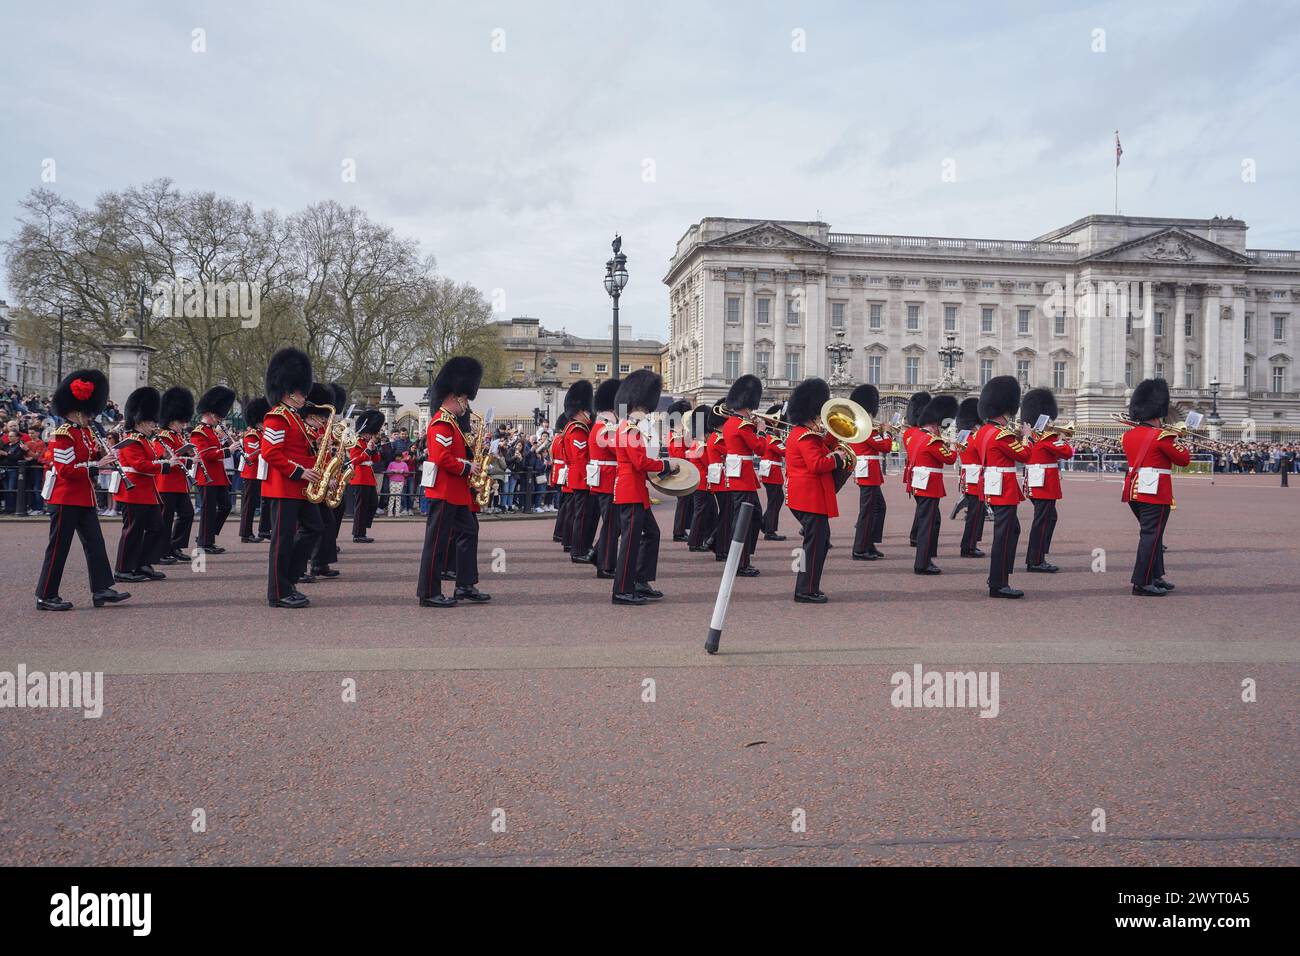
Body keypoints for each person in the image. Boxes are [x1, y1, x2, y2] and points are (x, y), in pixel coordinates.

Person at [34, 369, 130, 611]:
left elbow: (88, 456)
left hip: (84, 498)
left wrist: (104, 454)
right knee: (58, 548)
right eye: (87, 413)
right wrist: (97, 464)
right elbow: (66, 470)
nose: (90, 417)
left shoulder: (85, 432)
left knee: (95, 544)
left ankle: (101, 589)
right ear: (76, 411)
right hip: (65, 498)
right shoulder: (63, 434)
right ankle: (45, 595)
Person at [416, 356, 490, 607]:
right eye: (465, 399)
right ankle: (428, 592)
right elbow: (441, 458)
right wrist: (467, 466)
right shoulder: (441, 422)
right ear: (455, 396)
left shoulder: (455, 425)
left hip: (457, 493)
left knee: (469, 531)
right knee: (436, 543)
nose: (467, 404)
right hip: (444, 492)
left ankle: (465, 584)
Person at [260, 347, 324, 609]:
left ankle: (290, 578)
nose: (304, 396)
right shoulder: (276, 417)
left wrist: (320, 475)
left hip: (301, 487)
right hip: (283, 487)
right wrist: (299, 471)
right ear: (289, 392)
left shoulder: (294, 418)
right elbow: (270, 453)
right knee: (282, 540)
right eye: (301, 392)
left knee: (315, 528)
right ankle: (278, 591)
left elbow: (305, 452)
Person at [1122, 378, 1190, 596]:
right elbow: (1184, 460)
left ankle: (1155, 576)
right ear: (1158, 412)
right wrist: (1179, 441)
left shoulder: (1128, 434)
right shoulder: (1162, 437)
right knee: (1151, 536)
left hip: (1134, 491)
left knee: (1154, 535)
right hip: (1155, 493)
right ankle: (1141, 582)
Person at [611, 369, 674, 606]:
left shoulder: (630, 429)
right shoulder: (629, 430)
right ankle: (622, 590)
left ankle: (639, 580)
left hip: (637, 491)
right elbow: (640, 462)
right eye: (647, 409)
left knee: (652, 534)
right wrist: (665, 465)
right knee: (630, 542)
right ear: (637, 405)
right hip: (630, 492)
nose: (648, 413)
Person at [784, 378, 847, 604]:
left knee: (818, 542)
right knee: (815, 545)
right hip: (810, 498)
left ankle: (807, 586)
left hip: (807, 497)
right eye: (819, 415)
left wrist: (836, 438)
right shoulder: (807, 436)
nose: (822, 420)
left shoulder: (804, 433)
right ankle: (805, 590)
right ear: (812, 414)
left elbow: (824, 445)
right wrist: (837, 458)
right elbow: (817, 464)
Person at [974, 376, 1034, 598]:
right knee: (1004, 535)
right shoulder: (1002, 435)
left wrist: (1016, 437)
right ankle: (998, 583)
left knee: (1011, 530)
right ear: (1005, 409)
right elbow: (1025, 455)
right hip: (1004, 488)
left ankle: (1001, 575)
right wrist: (1027, 438)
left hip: (992, 485)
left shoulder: (984, 432)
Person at [1021, 387, 1073, 573]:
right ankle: (1036, 559)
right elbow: (1068, 453)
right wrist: (1061, 437)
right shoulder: (1048, 437)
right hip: (1045, 485)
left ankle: (1039, 553)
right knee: (1042, 520)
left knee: (1048, 517)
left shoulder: (1032, 437)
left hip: (1035, 483)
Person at [908, 394, 959, 575]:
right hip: (929, 486)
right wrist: (953, 444)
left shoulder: (916, 436)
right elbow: (949, 458)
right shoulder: (932, 440)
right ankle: (922, 563)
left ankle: (925, 559)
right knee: (927, 525)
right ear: (935, 424)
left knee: (928, 521)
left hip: (919, 484)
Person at [720, 374, 765, 577]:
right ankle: (740, 562)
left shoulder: (731, 423)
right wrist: (762, 431)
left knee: (750, 516)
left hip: (738, 475)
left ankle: (741, 557)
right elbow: (760, 448)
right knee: (744, 520)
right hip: (743, 477)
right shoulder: (743, 425)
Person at [153, 387, 198, 564]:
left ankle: (174, 546)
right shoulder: (162, 437)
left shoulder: (179, 436)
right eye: (181, 422)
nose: (184, 425)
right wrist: (188, 460)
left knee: (187, 513)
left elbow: (181, 455)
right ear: (172, 421)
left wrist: (189, 457)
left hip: (179, 484)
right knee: (165, 519)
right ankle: (161, 551)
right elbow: (162, 456)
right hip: (166, 484)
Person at [849, 383, 892, 560]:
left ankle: (869, 542)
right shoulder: (865, 427)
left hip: (869, 472)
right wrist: (887, 433)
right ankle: (859, 548)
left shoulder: (864, 427)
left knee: (878, 508)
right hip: (868, 473)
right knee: (867, 511)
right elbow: (885, 446)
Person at [192, 386, 237, 554]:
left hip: (218, 476)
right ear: (209, 414)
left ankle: (207, 535)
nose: (219, 419)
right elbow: (206, 455)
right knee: (208, 510)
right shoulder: (199, 432)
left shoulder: (212, 431)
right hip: (206, 476)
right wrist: (228, 450)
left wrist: (226, 442)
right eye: (217, 416)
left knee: (225, 507)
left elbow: (215, 451)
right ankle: (205, 542)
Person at [562, 381, 598, 565]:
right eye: (587, 410)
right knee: (582, 517)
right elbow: (581, 458)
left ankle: (582, 547)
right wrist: (590, 479)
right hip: (581, 478)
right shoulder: (577, 429)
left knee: (583, 515)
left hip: (579, 477)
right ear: (580, 410)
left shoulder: (575, 427)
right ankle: (578, 551)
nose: (590, 414)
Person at [589, 377, 622, 580]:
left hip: (606, 480)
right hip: (608, 481)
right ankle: (606, 565)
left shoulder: (603, 427)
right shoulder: (605, 429)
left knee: (613, 523)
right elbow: (619, 450)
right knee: (612, 524)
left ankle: (597, 554)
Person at [952, 397, 986, 558]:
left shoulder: (963, 437)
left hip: (968, 478)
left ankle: (970, 544)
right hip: (976, 479)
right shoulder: (975, 438)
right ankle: (968, 547)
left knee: (975, 513)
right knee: (975, 514)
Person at [238, 397, 271, 543]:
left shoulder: (261, 434)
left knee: (263, 503)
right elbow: (251, 457)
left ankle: (263, 530)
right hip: (251, 474)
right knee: (249, 505)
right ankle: (246, 534)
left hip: (262, 473)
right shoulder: (252, 435)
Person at [349, 408, 385, 542]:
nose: (372, 435)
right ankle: (358, 534)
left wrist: (373, 450)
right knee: (361, 507)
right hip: (359, 478)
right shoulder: (356, 442)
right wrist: (368, 452)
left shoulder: (367, 442)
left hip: (368, 478)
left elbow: (376, 460)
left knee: (372, 504)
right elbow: (355, 460)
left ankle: (362, 530)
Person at [685, 404, 717, 553]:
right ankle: (695, 542)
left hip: (700, 484)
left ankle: (708, 539)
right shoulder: (701, 446)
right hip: (703, 484)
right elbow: (709, 464)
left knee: (710, 513)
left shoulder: (695, 444)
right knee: (701, 513)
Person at [902, 391, 931, 548]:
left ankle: (915, 536)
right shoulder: (922, 434)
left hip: (914, 474)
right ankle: (921, 539)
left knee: (922, 508)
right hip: (923, 475)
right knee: (928, 511)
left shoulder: (909, 432)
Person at [666, 399, 694, 542]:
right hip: (681, 470)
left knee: (687, 501)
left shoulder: (680, 432)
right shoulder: (677, 433)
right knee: (683, 501)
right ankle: (678, 532)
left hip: (684, 469)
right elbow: (679, 455)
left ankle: (682, 529)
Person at [758, 403, 787, 542]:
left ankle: (765, 524)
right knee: (774, 501)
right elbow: (784, 452)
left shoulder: (771, 437)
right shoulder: (773, 438)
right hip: (772, 473)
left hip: (770, 472)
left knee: (776, 500)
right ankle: (769, 531)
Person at [550, 414, 570, 545]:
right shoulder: (563, 438)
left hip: (557, 471)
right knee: (564, 505)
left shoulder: (555, 439)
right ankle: (560, 532)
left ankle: (559, 532)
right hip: (564, 471)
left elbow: (552, 455)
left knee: (562, 504)